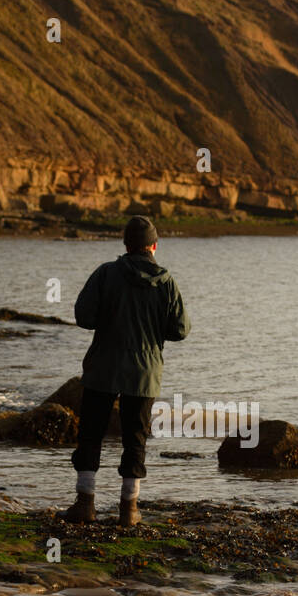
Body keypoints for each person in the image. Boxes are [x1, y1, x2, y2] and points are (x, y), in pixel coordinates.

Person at [65, 215, 190, 525]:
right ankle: (129, 510)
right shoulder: (166, 282)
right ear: (154, 246)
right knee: (135, 439)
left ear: (125, 245)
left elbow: (83, 316)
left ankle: (85, 505)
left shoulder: (106, 273)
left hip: (102, 368)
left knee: (90, 434)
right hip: (144, 372)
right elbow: (180, 330)